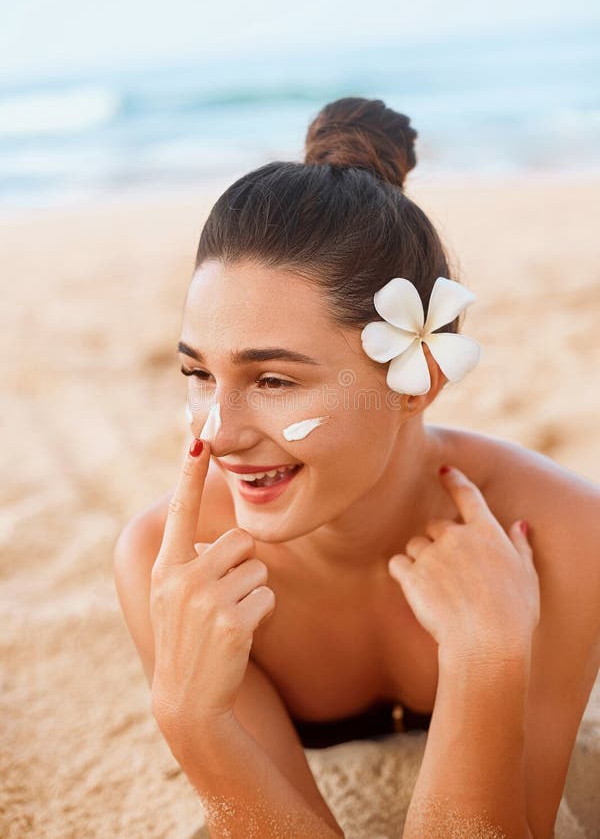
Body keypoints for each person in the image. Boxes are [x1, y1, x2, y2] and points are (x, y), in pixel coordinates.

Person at [113, 97, 600, 839]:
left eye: (273, 380)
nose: (219, 433)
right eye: (199, 373)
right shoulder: (171, 564)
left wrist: (485, 659)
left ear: (419, 377)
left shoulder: (564, 537)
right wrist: (189, 719)